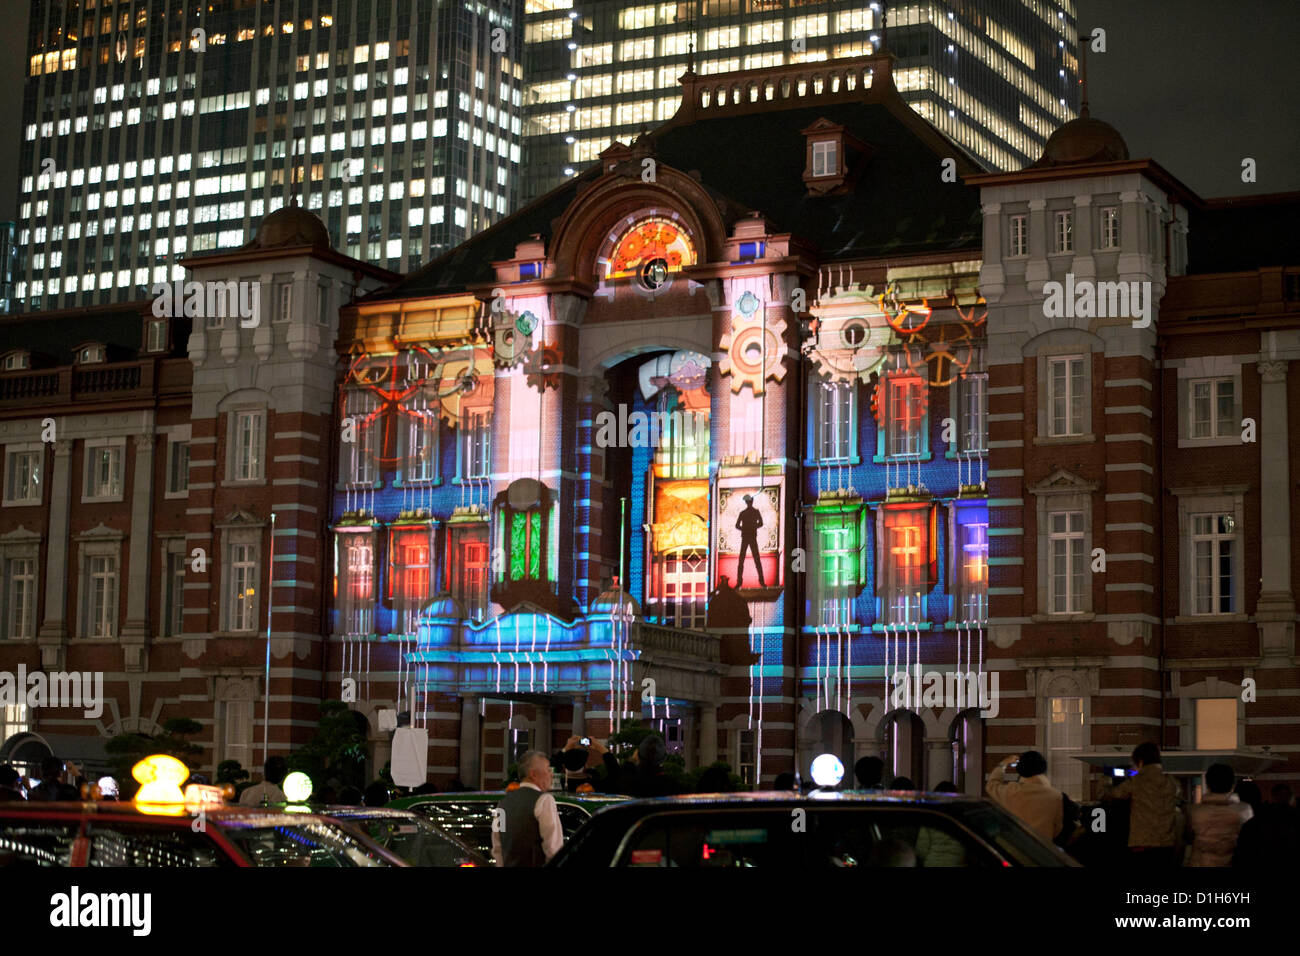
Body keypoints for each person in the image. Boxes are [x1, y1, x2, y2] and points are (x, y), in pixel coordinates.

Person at [1109, 742, 1181, 867]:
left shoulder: (1137, 781)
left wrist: (1107, 776)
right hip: (1166, 845)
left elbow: (1112, 794)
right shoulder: (1171, 782)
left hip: (1142, 844)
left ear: (1140, 761)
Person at [491, 750, 563, 867]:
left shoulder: (502, 804)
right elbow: (553, 849)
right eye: (548, 769)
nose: (551, 774)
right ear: (533, 774)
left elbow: (497, 847)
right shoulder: (545, 800)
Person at [984, 751, 1064, 844]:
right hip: (1043, 850)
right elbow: (1057, 828)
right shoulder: (1056, 795)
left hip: (1016, 847)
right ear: (1043, 768)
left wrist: (1003, 764)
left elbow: (991, 785)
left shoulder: (1011, 791)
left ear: (1020, 769)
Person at [1185, 763, 1252, 867]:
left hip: (1201, 862)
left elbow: (1188, 837)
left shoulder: (1193, 811)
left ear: (1208, 784)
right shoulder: (1244, 810)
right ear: (1232, 784)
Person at [1233, 783, 1299, 867]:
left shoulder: (1258, 819)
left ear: (1272, 797)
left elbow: (1245, 848)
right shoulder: (1295, 817)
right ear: (1291, 798)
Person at [734, 494, 765, 588]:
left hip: (747, 536)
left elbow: (737, 525)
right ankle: (761, 581)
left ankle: (740, 582)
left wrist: (744, 529)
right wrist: (752, 527)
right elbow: (761, 523)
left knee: (744, 560)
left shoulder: (744, 513)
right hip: (750, 536)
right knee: (755, 559)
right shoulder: (753, 512)